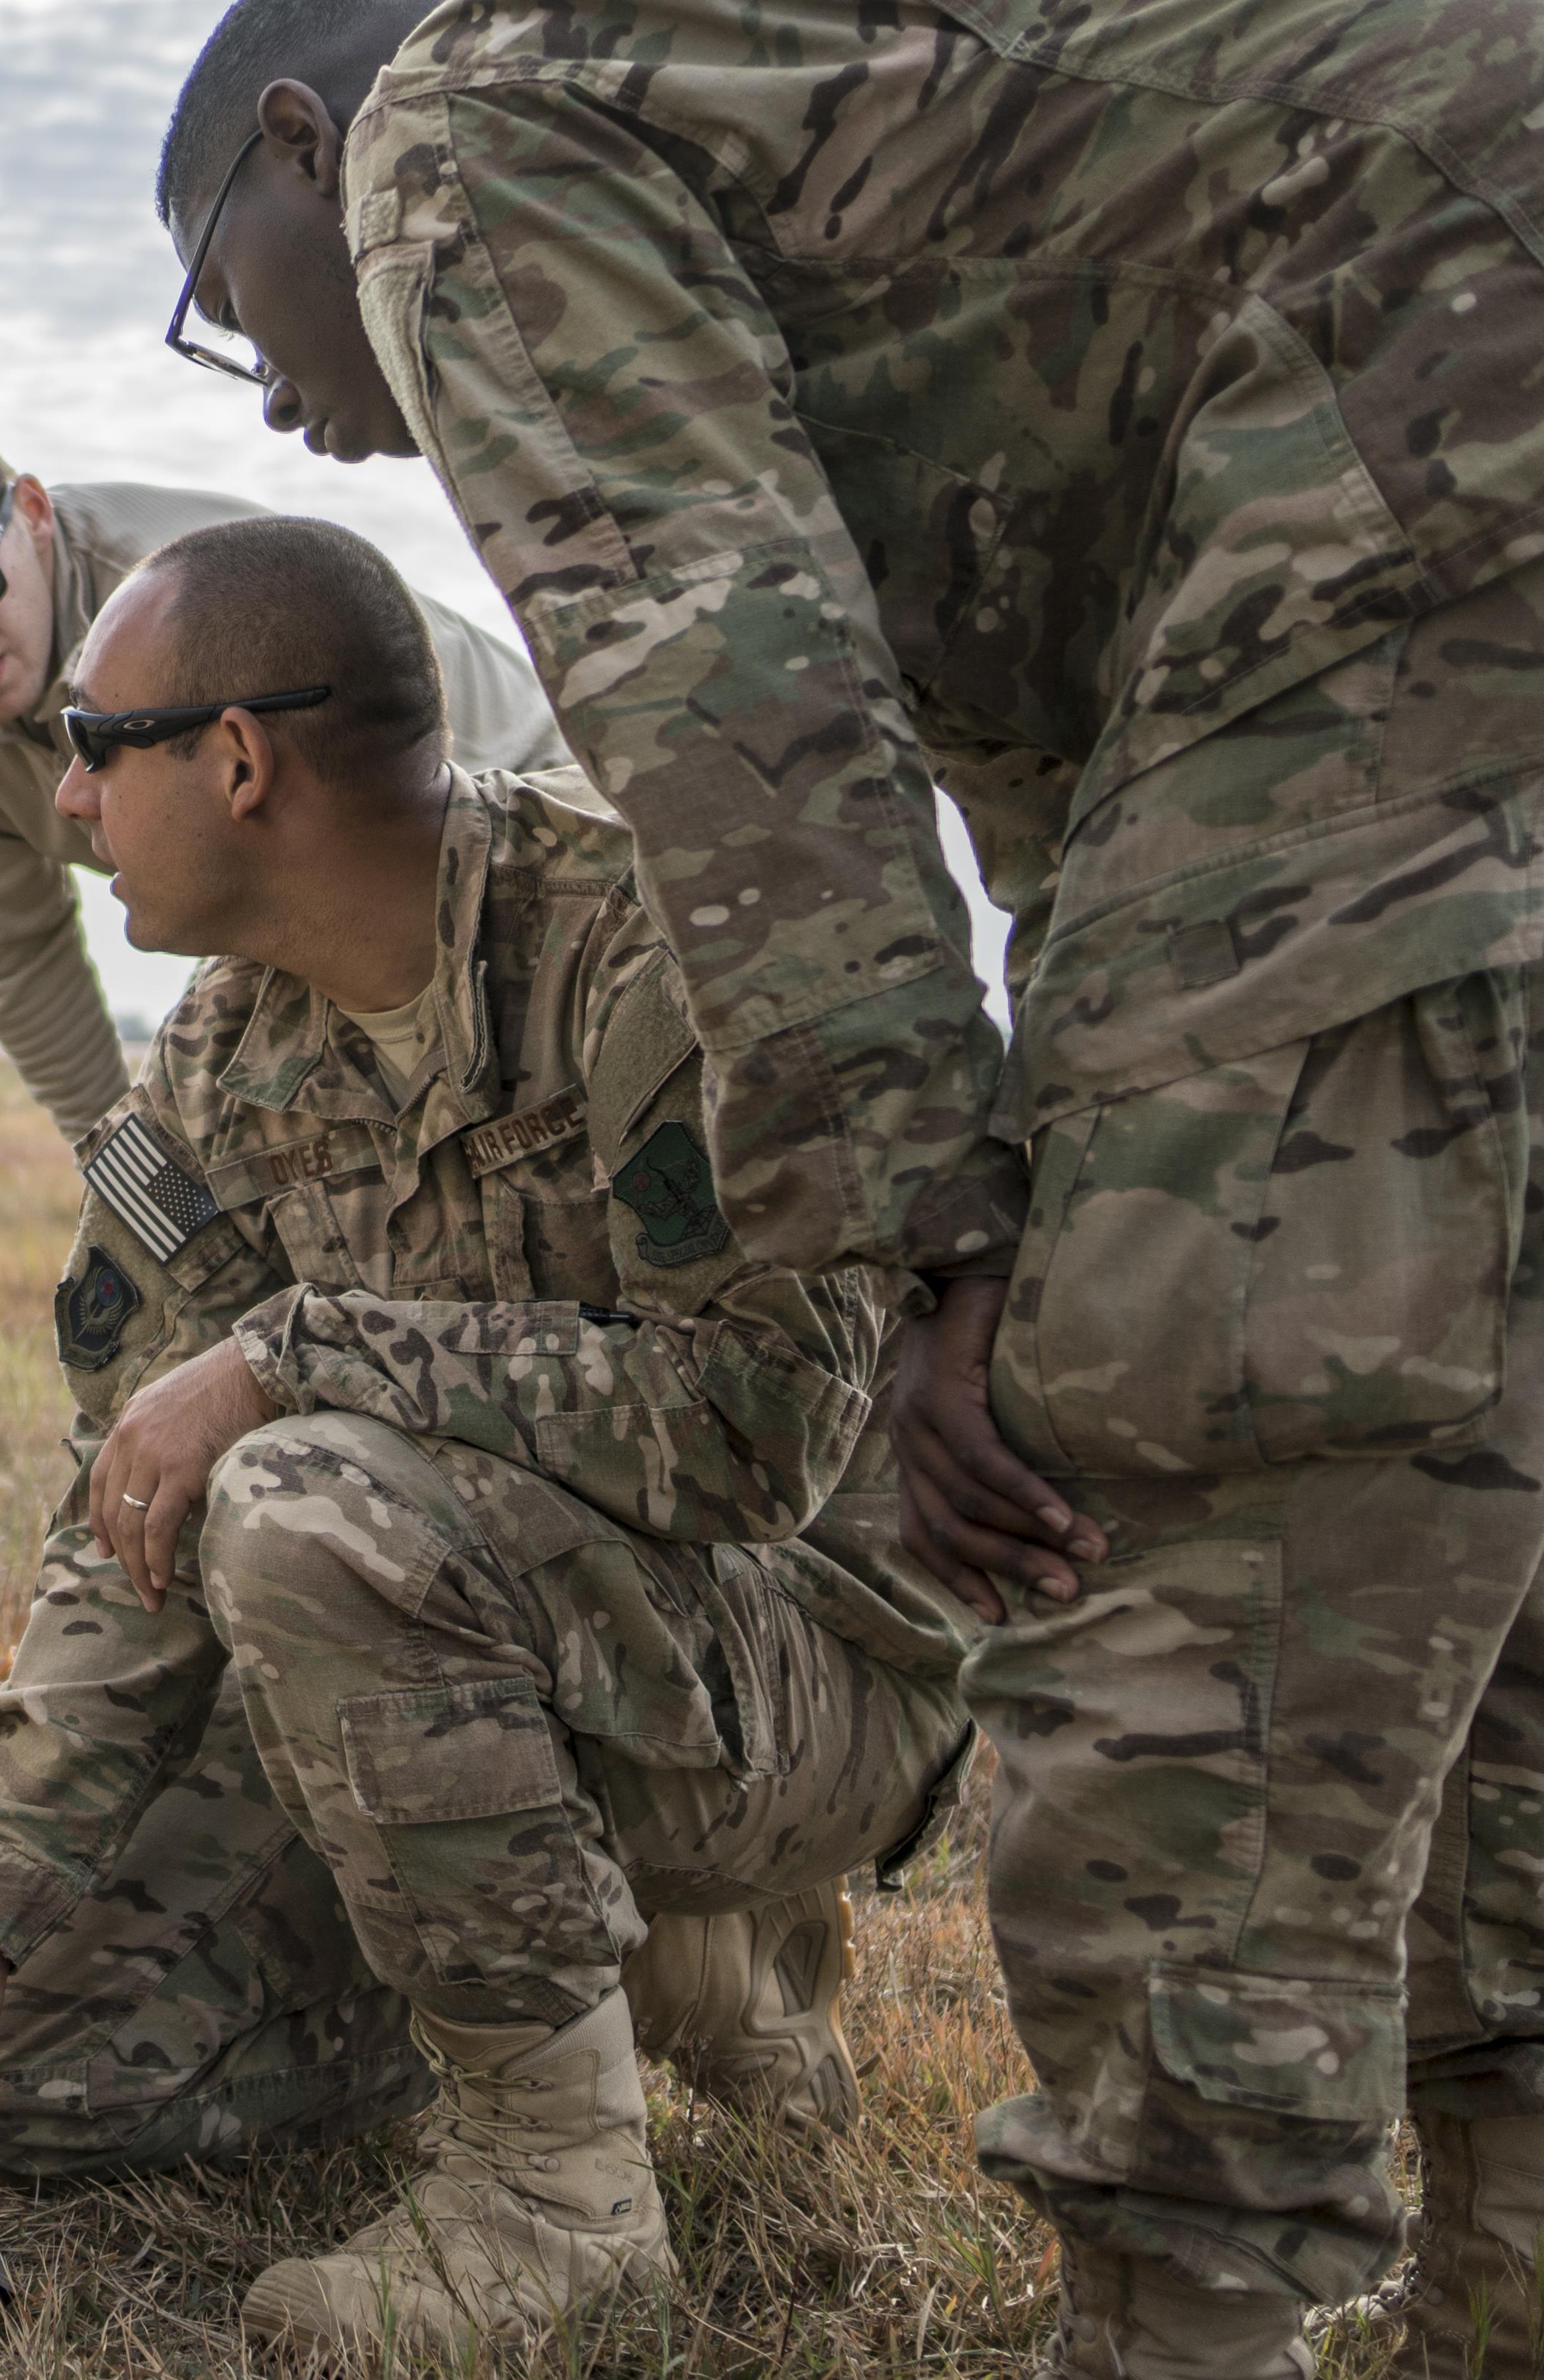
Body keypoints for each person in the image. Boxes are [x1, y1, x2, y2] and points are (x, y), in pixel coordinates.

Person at [153, 2, 1544, 2370]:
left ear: (303, 137)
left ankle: (1174, 2329)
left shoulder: (451, 131)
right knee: (1452, 1408)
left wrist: (940, 1220)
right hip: (1429, 379)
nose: (262, 391)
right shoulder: (775, 95)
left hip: (1433, 363)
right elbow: (1057, 757)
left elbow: (731, 690)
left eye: (216, 288)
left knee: (1161, 1454)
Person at [0, 516, 972, 2359]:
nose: (60, 803)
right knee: (40, 2080)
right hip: (471, 1658)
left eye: (93, 748)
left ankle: (555, 2200)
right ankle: (600, 1957)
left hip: (802, 1676)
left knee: (302, 1502)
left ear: (234, 761)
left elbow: (757, 1430)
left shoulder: (646, 944)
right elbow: (126, 1504)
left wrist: (303, 1355)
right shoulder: (217, 1059)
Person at [0, 410, 564, 1141]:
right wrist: (129, 1181)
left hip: (529, 823)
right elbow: (13, 955)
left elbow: (404, 808)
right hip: (300, 920)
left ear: (31, 513)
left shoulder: (185, 603)